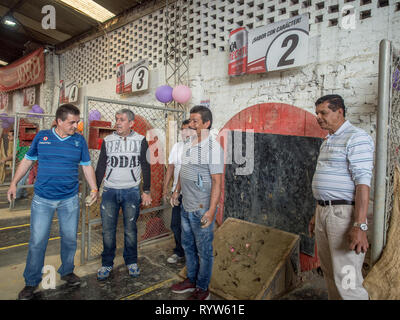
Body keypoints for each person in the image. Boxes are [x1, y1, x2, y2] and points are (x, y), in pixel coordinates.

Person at [7, 104, 99, 300]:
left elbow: (87, 166)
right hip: (43, 200)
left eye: (77, 121)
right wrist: (14, 183)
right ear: (59, 121)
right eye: (71, 122)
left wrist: (94, 187)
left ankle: (66, 271)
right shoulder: (42, 137)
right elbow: (27, 161)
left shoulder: (79, 141)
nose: (75, 126)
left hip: (69, 199)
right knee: (37, 242)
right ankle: (31, 282)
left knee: (69, 238)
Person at [308, 94, 374, 300]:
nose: (318, 117)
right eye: (317, 113)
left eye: (324, 113)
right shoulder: (328, 140)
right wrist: (315, 213)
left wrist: (360, 225)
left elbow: (363, 184)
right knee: (330, 274)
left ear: (340, 112)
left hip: (343, 215)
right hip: (324, 211)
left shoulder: (356, 137)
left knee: (347, 280)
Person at [170, 105, 224, 300]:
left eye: (195, 121)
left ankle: (202, 288)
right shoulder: (188, 143)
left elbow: (217, 181)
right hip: (185, 205)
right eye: (190, 121)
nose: (190, 125)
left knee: (204, 251)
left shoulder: (213, 148)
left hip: (201, 208)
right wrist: (176, 191)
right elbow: (183, 171)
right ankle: (191, 280)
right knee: (188, 246)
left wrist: (211, 211)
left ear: (206, 123)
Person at [95, 109, 151, 281]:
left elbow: (146, 166)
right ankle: (107, 263)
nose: (118, 123)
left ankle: (131, 261)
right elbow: (101, 165)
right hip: (110, 191)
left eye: (122, 120)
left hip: (132, 191)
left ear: (131, 123)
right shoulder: (108, 140)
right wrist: (95, 189)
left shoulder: (141, 140)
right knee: (108, 231)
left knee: (130, 230)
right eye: (116, 119)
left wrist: (146, 190)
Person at [162, 119, 190, 264]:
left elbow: (185, 171)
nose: (185, 132)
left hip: (190, 193)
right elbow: (171, 168)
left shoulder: (196, 148)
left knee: (189, 226)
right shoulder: (177, 147)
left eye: (188, 129)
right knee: (175, 224)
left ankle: (190, 252)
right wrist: (166, 188)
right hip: (176, 192)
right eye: (183, 129)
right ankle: (180, 251)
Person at [1, 130, 31, 199]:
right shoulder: (17, 141)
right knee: (21, 179)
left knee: (19, 180)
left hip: (27, 162)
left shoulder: (18, 141)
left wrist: (4, 159)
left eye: (9, 136)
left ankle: (15, 197)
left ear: (15, 136)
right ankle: (24, 194)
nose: (8, 138)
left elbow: (14, 155)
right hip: (23, 161)